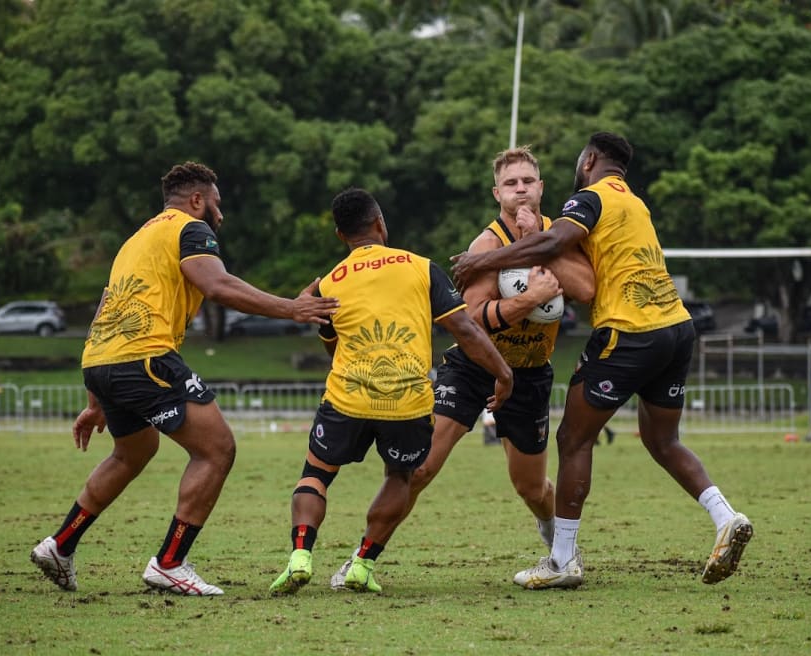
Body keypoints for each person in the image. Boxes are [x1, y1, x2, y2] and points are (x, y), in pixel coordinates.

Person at [452, 132, 753, 588]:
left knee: (574, 439)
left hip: (629, 330)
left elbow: (556, 244)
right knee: (663, 440)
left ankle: (561, 561)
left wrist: (482, 263)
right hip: (678, 326)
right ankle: (725, 516)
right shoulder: (636, 203)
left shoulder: (589, 198)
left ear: (589, 160)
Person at [30, 161, 338, 596]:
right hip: (146, 357)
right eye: (216, 203)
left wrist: (95, 400)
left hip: (101, 359)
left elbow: (105, 308)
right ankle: (170, 562)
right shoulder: (191, 230)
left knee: (132, 454)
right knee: (217, 450)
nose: (220, 213)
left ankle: (59, 546)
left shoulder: (137, 239)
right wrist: (292, 308)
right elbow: (217, 285)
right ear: (197, 200)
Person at [269, 187, 512, 595]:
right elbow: (466, 329)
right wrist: (503, 373)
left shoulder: (330, 281)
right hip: (407, 400)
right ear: (380, 223)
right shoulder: (421, 268)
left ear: (340, 236)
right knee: (401, 475)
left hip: (348, 396)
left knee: (316, 474)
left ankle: (300, 555)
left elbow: (332, 344)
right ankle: (362, 563)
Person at [389, 146, 594, 564]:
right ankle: (363, 555)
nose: (520, 190)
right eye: (510, 184)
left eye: (527, 181)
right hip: (473, 367)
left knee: (532, 489)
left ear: (541, 187)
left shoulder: (562, 233)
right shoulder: (486, 243)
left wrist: (537, 241)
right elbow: (472, 321)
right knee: (422, 466)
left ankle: (556, 540)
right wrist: (528, 300)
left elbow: (586, 290)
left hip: (530, 373)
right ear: (496, 193)